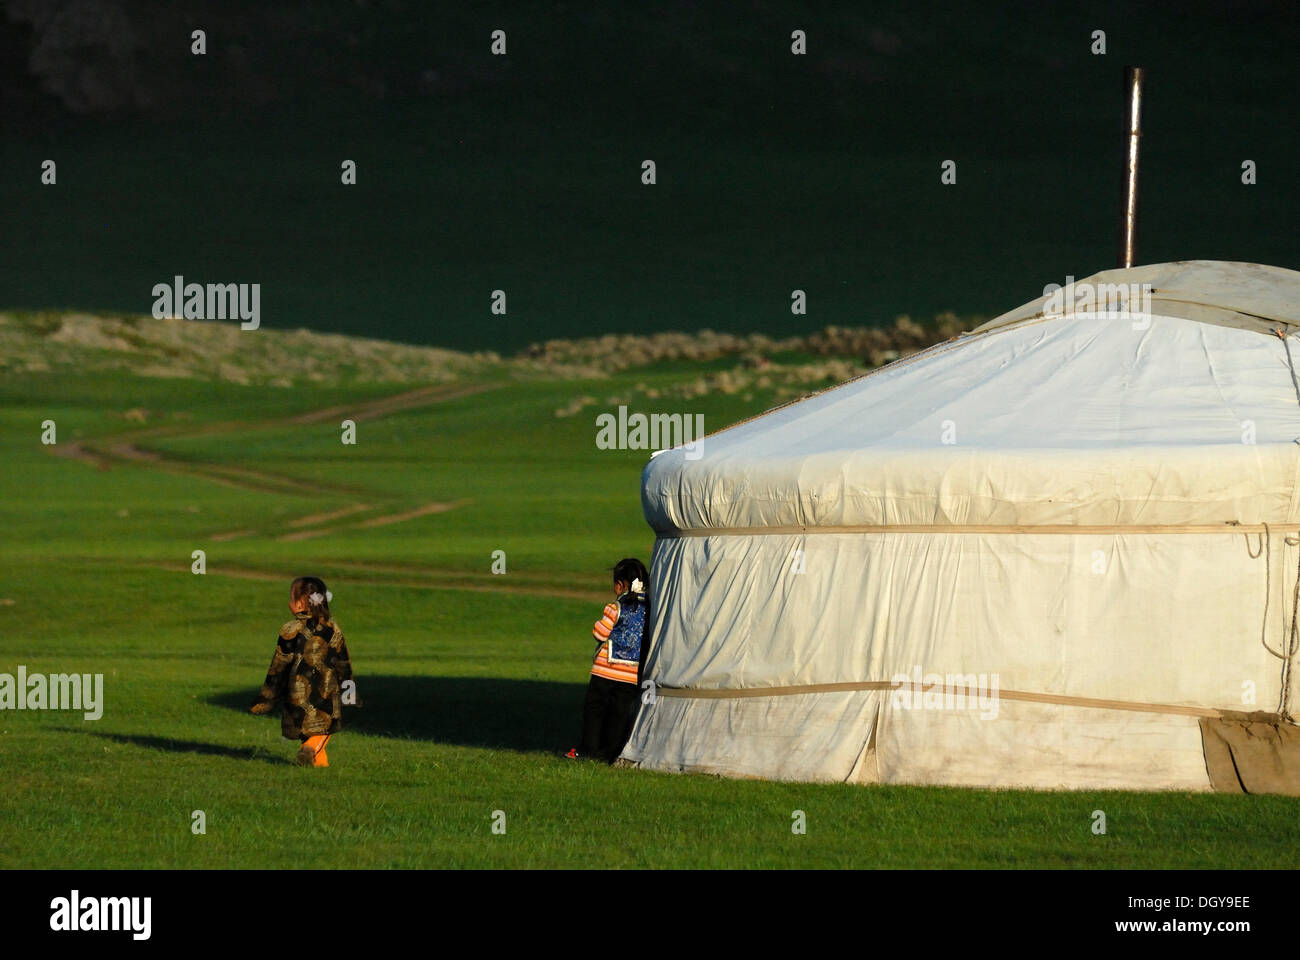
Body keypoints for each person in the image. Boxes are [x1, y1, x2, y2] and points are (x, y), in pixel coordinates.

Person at [249, 576, 356, 767]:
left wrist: (267, 698)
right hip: (326, 694)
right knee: (324, 730)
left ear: (299, 603)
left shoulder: (290, 629)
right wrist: (349, 691)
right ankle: (311, 749)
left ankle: (319, 765)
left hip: (297, 692)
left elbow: (278, 664)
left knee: (307, 729)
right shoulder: (332, 629)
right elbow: (343, 662)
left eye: (291, 598)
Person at [565, 559, 648, 763]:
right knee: (619, 714)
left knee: (595, 710)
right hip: (631, 675)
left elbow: (600, 633)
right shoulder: (650, 610)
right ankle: (611, 752)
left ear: (620, 585)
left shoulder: (616, 607)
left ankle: (588, 748)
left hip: (605, 670)